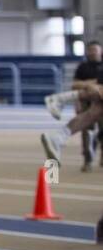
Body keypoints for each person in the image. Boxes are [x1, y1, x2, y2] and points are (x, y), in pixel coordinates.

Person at [42, 40, 102, 169]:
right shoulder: (83, 66)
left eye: (95, 50)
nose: (93, 53)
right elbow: (76, 84)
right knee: (96, 110)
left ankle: (59, 136)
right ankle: (59, 100)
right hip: (87, 99)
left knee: (96, 110)